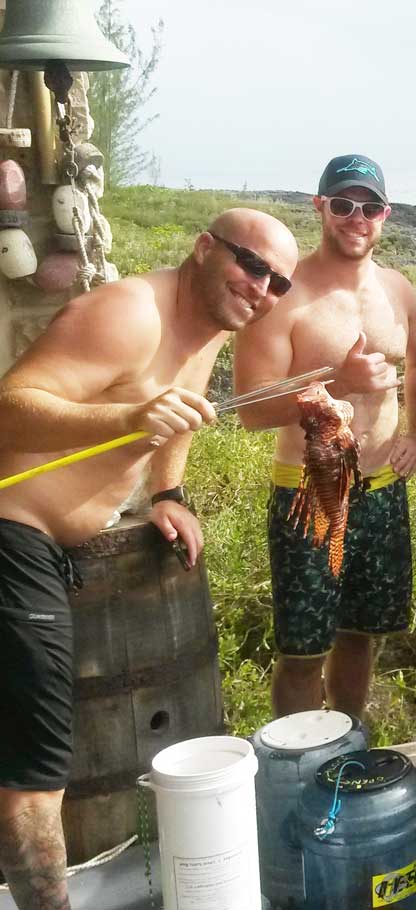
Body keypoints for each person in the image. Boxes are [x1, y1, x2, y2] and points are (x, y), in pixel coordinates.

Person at [0, 209, 298, 910]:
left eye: (278, 282)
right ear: (203, 247)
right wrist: (127, 420)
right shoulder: (128, 314)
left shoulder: (207, 327)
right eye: (251, 264)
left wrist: (168, 490)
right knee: (36, 769)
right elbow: (12, 407)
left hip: (52, 546)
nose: (261, 288)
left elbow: (180, 410)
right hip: (12, 531)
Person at [234, 154, 416, 719]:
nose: (357, 217)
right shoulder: (284, 297)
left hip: (381, 487)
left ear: (385, 215)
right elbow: (249, 407)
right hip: (310, 491)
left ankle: (349, 750)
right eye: (343, 204)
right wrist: (335, 381)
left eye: (369, 207)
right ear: (319, 206)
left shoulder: (397, 289)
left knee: (359, 635)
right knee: (302, 650)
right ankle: (298, 770)